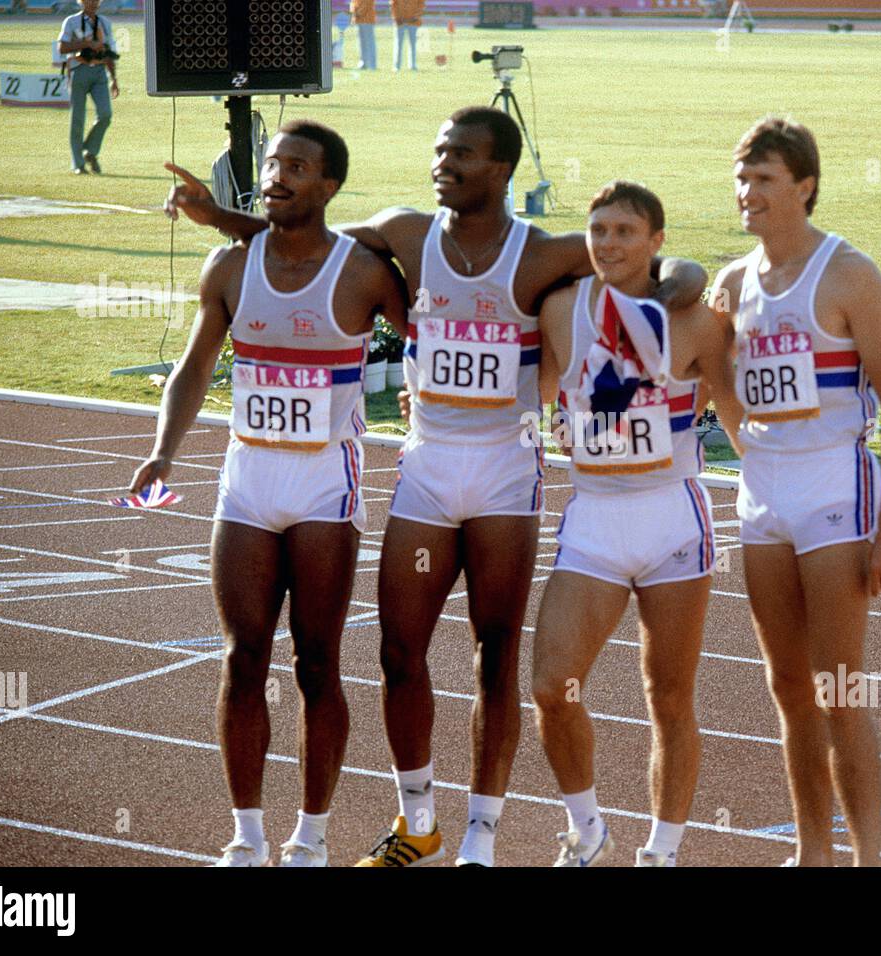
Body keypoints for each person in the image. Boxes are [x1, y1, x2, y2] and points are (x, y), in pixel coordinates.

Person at [164, 106, 706, 867]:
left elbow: (660, 270)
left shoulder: (543, 255)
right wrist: (217, 216)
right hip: (425, 470)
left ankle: (482, 833)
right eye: (439, 150)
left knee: (495, 652)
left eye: (461, 153)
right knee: (398, 652)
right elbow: (310, 246)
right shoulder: (405, 235)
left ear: (501, 169)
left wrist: (687, 279)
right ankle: (418, 821)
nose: (442, 162)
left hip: (505, 475)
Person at [134, 120, 407, 867]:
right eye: (271, 163)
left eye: (296, 165)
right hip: (247, 483)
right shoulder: (228, 266)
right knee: (243, 657)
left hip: (326, 486)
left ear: (330, 185)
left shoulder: (363, 272)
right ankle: (247, 836)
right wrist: (163, 452)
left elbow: (433, 334)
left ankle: (311, 838)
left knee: (317, 661)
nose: (276, 175)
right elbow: (193, 369)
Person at [710, 117, 881, 867]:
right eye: (741, 178)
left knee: (838, 690)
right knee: (788, 688)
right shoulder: (731, 284)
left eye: (763, 179)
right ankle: (811, 853)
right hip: (761, 497)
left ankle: (867, 858)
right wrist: (746, 442)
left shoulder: (848, 273)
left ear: (805, 186)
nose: (748, 192)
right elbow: (714, 381)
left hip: (836, 489)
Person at [529, 181, 742, 867]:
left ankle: (663, 852)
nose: (609, 243)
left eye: (625, 231)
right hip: (594, 519)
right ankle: (587, 830)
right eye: (599, 230)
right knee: (550, 687)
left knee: (670, 697)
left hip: (673, 522)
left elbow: (741, 427)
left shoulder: (695, 322)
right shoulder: (561, 310)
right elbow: (534, 399)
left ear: (656, 241)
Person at [57, 0, 117, 175]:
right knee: (78, 118)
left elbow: (108, 51)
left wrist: (114, 78)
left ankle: (90, 151)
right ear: (81, 2)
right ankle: (78, 163)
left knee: (106, 114)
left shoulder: (105, 23)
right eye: (89, 0)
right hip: (78, 70)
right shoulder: (71, 21)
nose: (93, 3)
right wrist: (86, 44)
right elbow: (62, 47)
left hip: (99, 72)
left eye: (96, 1)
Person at [391, 0, 423, 72]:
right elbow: (393, 4)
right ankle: (396, 66)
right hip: (400, 21)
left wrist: (416, 16)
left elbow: (421, 4)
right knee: (398, 44)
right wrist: (396, 17)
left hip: (413, 21)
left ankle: (412, 65)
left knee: (412, 44)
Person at [352, 0, 377, 71]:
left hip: (367, 19)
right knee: (361, 43)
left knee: (370, 43)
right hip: (359, 19)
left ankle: (372, 65)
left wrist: (358, 12)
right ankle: (363, 62)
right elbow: (354, 2)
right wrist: (354, 12)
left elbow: (367, 3)